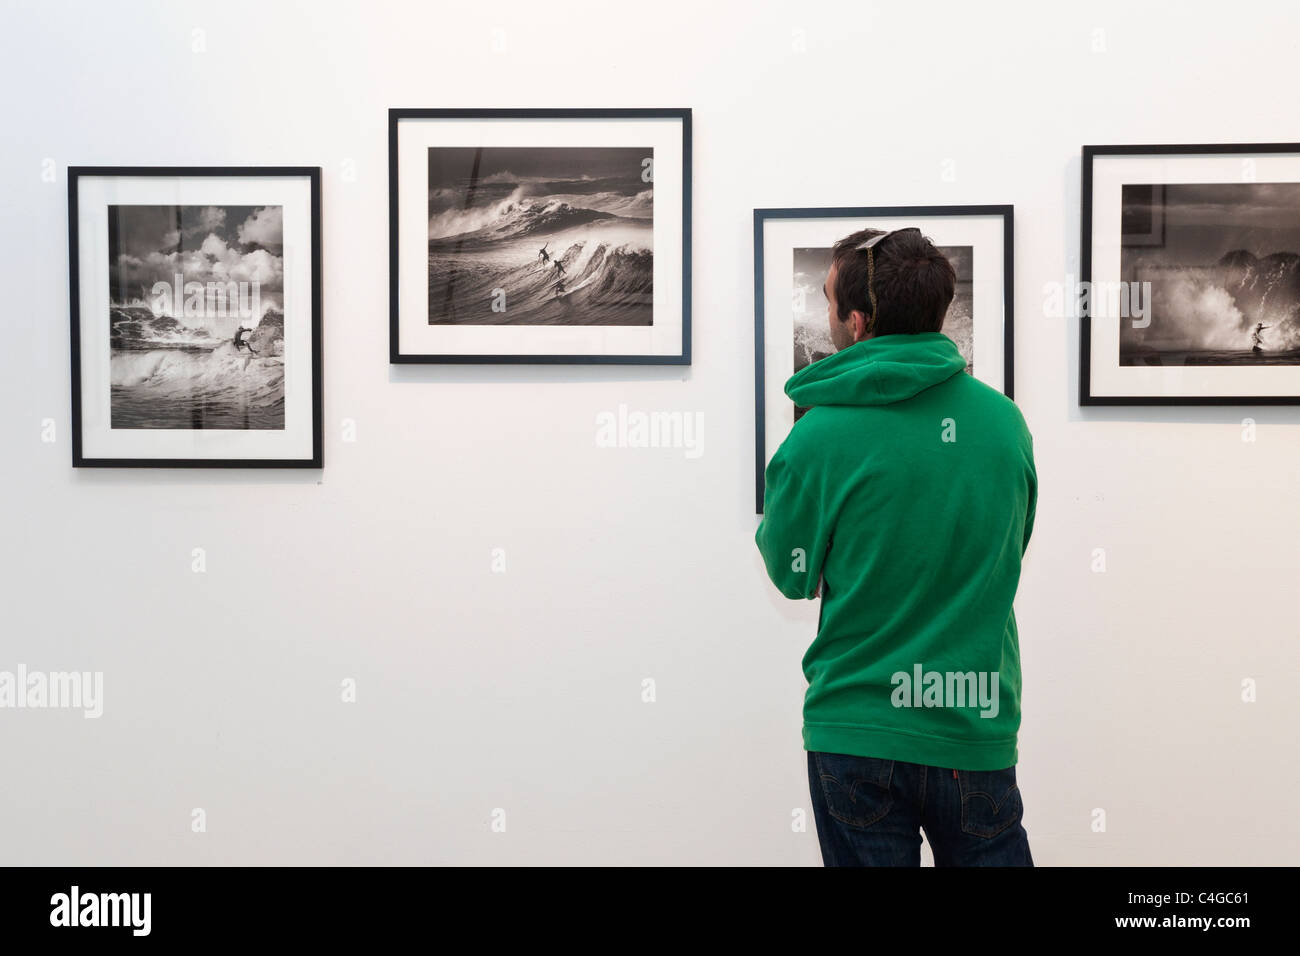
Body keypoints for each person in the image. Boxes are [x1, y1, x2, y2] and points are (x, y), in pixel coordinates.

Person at [755, 227, 1036, 867]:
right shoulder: (1003, 422)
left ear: (856, 321)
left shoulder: (818, 434)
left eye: (828, 302)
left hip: (857, 729)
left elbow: (790, 574)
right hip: (973, 722)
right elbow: (1010, 545)